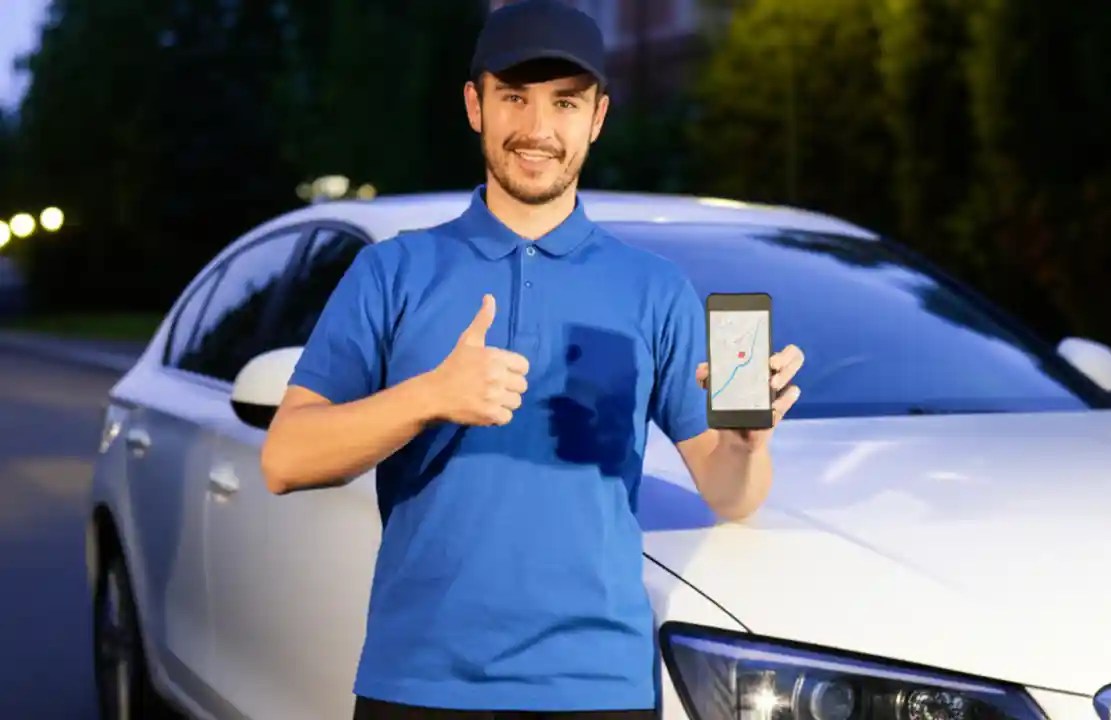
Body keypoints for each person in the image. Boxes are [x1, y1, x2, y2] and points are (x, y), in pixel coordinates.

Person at [260, 0, 805, 717]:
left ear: (598, 118)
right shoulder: (392, 272)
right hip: (419, 682)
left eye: (566, 103)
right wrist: (429, 396)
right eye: (514, 97)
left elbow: (732, 492)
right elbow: (285, 460)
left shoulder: (655, 289)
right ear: (474, 105)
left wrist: (746, 444)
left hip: (598, 686)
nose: (539, 129)